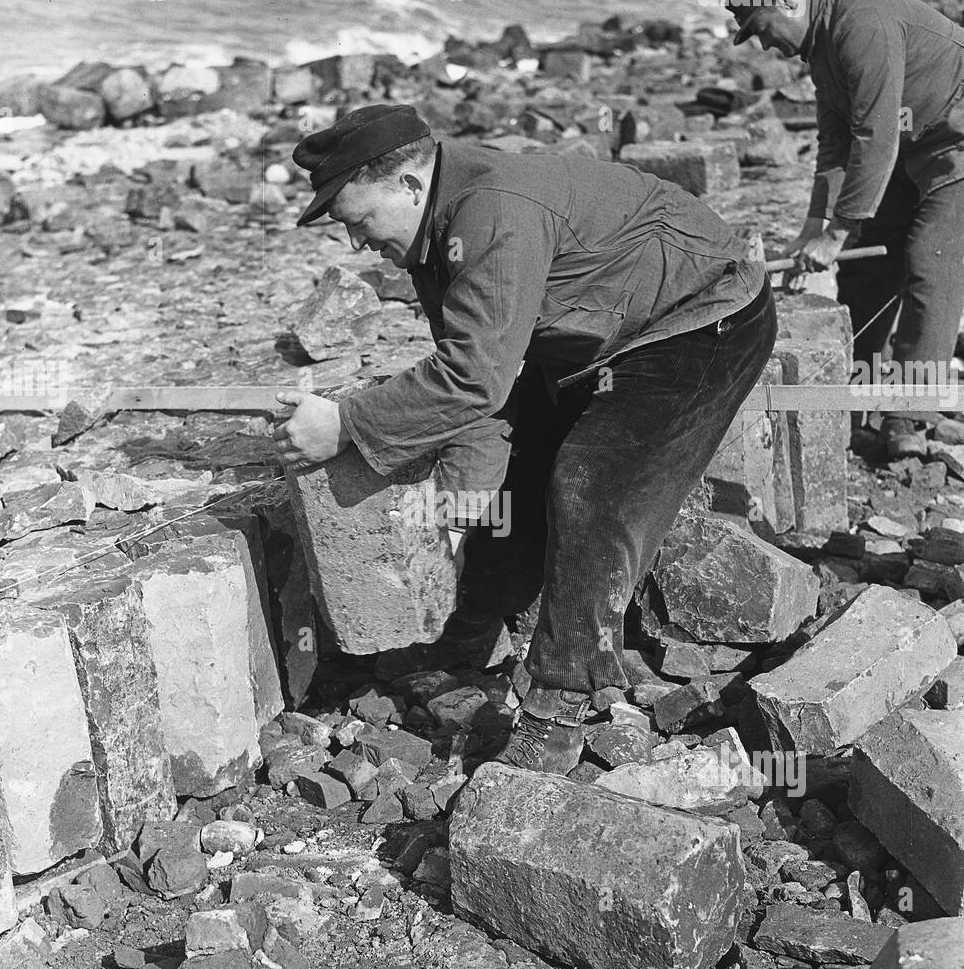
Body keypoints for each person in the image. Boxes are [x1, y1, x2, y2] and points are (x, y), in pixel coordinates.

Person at [276, 103, 776, 773]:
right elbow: (485, 391)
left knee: (588, 485)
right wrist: (460, 497)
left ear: (406, 183)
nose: (358, 244)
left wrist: (344, 423)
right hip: (600, 335)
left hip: (700, 319)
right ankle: (468, 638)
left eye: (357, 221)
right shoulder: (435, 234)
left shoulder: (490, 212)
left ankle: (561, 704)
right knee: (522, 472)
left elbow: (471, 379)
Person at [726, 0, 964, 458]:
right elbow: (835, 147)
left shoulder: (860, 22)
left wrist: (838, 232)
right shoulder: (822, 50)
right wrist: (812, 229)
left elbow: (875, 131)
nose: (763, 45)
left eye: (761, 29)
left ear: (789, 1)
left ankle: (908, 415)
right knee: (868, 268)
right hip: (908, 144)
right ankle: (857, 397)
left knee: (930, 264)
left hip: (954, 139)